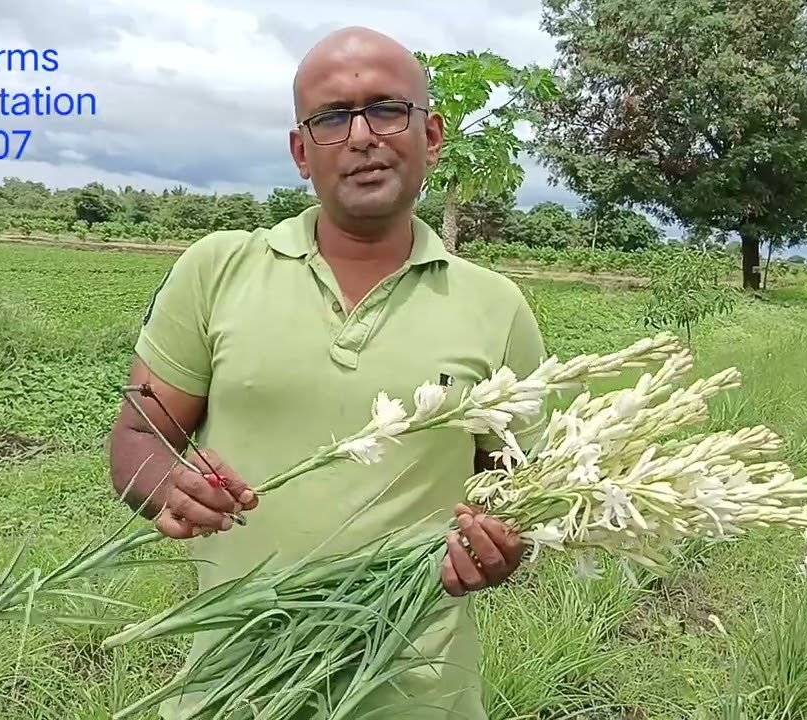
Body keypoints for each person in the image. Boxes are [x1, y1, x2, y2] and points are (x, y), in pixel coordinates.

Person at [107, 25, 551, 720]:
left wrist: (502, 544)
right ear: (299, 152)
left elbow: (526, 487)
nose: (363, 135)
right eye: (332, 118)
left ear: (430, 136)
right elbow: (138, 434)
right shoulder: (218, 269)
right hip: (233, 686)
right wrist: (168, 485)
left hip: (417, 691)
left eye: (385, 109)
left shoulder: (495, 306)